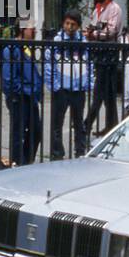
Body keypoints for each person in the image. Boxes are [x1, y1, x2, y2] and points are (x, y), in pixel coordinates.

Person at [46, 10, 90, 159]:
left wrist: (87, 83)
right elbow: (49, 64)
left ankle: (80, 151)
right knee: (57, 124)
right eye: (67, 23)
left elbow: (88, 63)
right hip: (62, 89)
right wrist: (55, 86)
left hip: (78, 88)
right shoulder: (57, 41)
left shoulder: (83, 42)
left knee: (79, 123)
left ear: (78, 26)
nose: (69, 27)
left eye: (73, 24)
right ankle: (57, 153)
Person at [82, 0, 124, 137]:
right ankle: (112, 127)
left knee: (100, 91)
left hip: (109, 55)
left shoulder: (114, 9)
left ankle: (86, 124)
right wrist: (89, 32)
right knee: (108, 94)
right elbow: (94, 27)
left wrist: (93, 34)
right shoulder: (97, 9)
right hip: (99, 54)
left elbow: (111, 31)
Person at [1, 15, 43, 165]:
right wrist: (20, 92)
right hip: (20, 97)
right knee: (18, 135)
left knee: (36, 132)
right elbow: (8, 79)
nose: (35, 31)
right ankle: (18, 164)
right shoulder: (12, 49)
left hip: (31, 97)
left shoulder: (27, 48)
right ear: (22, 29)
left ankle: (26, 162)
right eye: (32, 28)